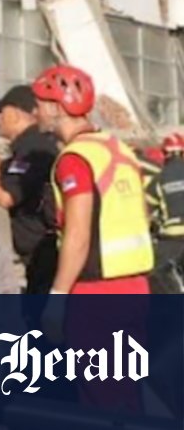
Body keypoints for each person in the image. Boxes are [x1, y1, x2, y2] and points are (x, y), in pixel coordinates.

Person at [33, 64, 153, 297]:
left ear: (56, 107)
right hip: (137, 284)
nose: (35, 112)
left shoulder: (74, 159)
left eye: (38, 105)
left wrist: (58, 294)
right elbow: (144, 214)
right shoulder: (120, 149)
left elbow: (77, 235)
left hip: (95, 288)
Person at [0, 85, 60, 293]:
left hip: (44, 253)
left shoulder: (32, 148)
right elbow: (3, 169)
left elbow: (7, 196)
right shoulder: (32, 144)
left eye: (1, 112)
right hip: (40, 253)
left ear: (15, 114)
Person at [153, 134, 184, 266]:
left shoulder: (159, 179)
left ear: (164, 153)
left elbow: (147, 210)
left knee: (164, 275)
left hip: (171, 239)